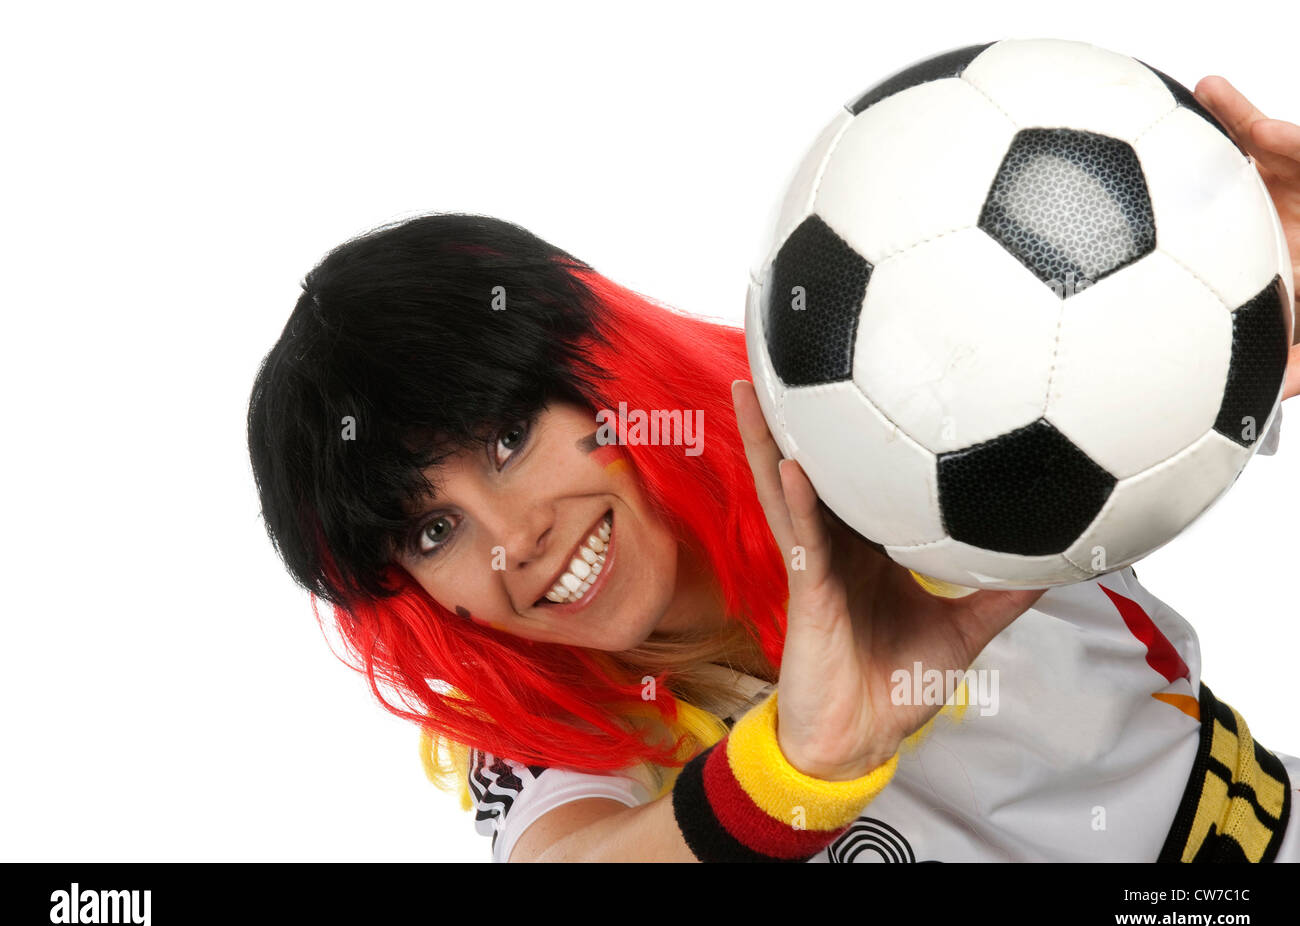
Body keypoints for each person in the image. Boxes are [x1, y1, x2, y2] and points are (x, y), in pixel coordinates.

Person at [247, 77, 1300, 863]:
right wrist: (790, 766)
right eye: (432, 532)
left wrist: (1237, 280)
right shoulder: (550, 735)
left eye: (507, 440)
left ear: (599, 373)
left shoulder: (871, 406)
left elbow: (1143, 345)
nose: (510, 538)